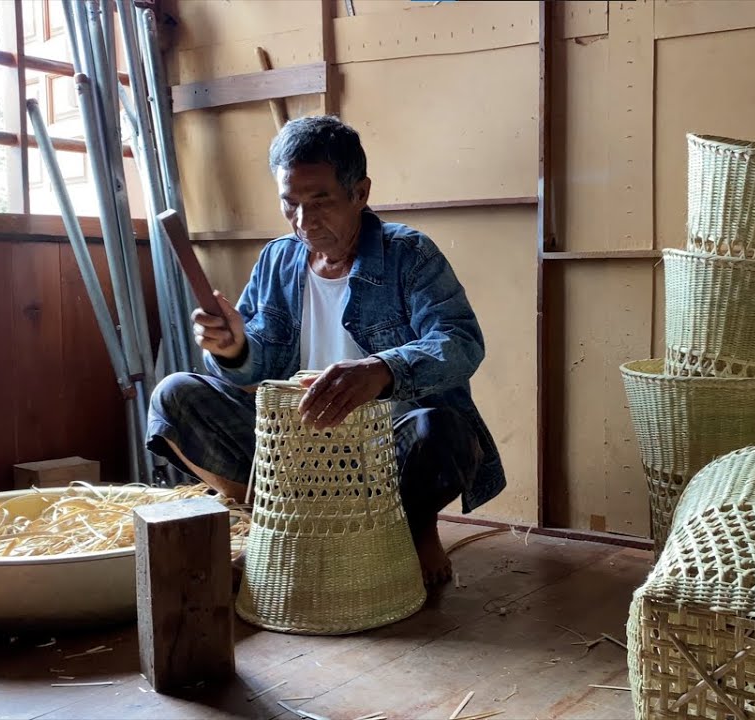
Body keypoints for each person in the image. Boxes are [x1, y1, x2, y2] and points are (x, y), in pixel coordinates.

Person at [145, 115, 505, 585]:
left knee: (440, 429)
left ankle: (414, 528)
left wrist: (381, 370)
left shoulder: (409, 255)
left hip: (382, 451)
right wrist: (233, 350)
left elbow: (460, 342)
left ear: (360, 193)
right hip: (294, 451)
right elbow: (258, 361)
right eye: (289, 203)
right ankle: (278, 519)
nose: (303, 221)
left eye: (320, 202)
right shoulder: (278, 259)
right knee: (175, 395)